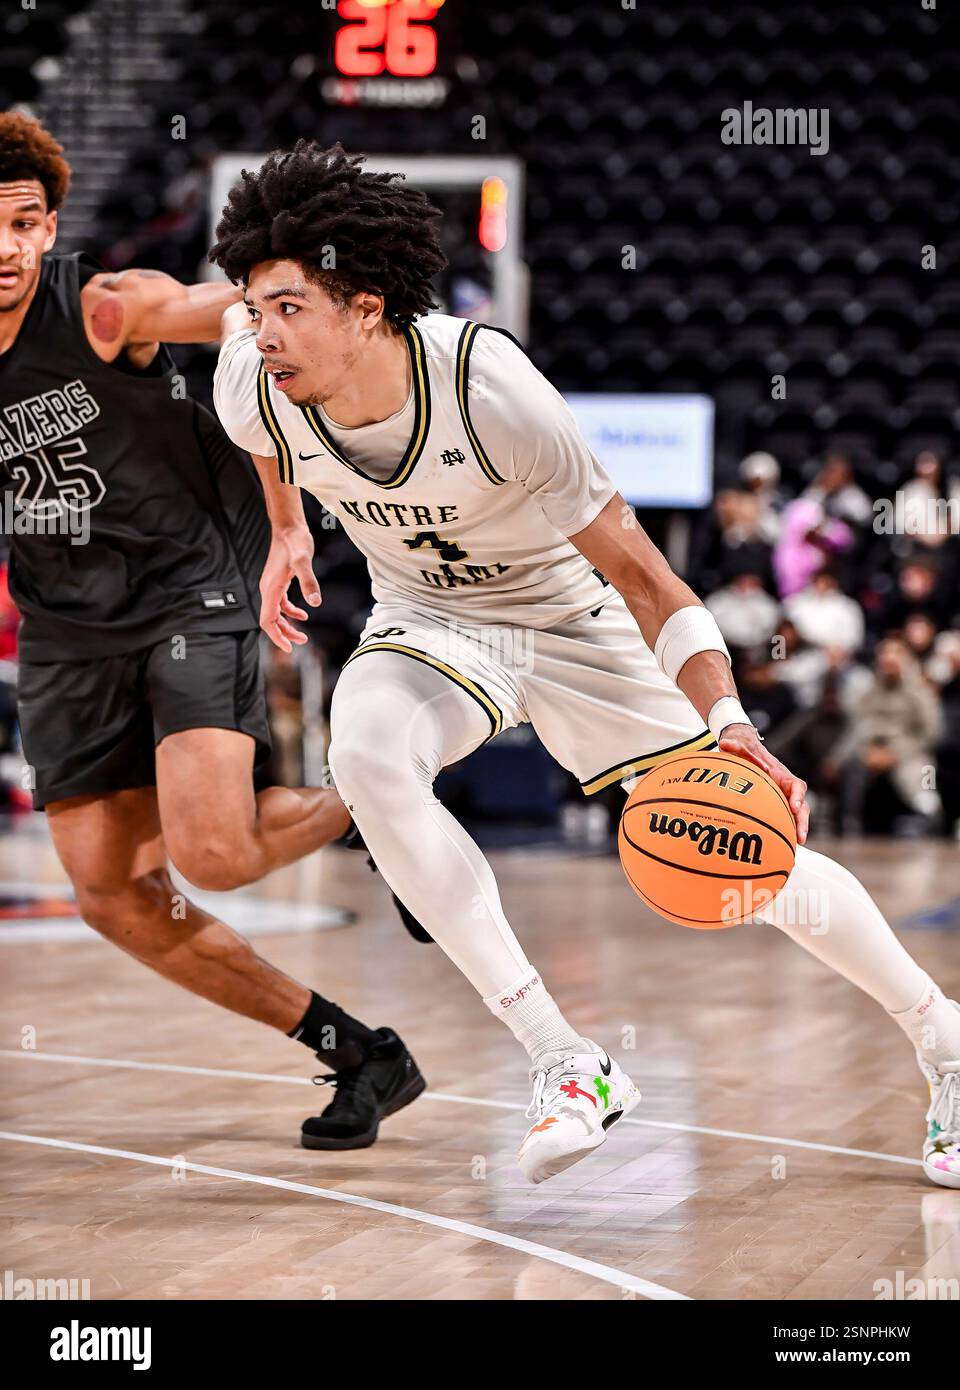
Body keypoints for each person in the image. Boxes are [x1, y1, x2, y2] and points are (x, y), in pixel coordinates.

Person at [211, 141, 960, 1189]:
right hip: (429, 617)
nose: (261, 328)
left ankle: (945, 1040)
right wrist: (288, 527)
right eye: (251, 302)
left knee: (750, 857)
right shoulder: (254, 375)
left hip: (569, 622)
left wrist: (733, 728)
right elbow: (259, 430)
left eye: (288, 305)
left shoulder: (492, 392)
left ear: (367, 305)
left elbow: (652, 581)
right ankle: (568, 1060)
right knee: (368, 753)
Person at [0, 114, 425, 1151]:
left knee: (217, 854)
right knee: (108, 891)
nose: (5, 247)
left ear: (51, 229)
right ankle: (360, 1050)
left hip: (187, 585)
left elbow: (249, 315)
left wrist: (288, 513)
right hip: (65, 627)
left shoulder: (103, 310)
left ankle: (382, 793)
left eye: (23, 223)